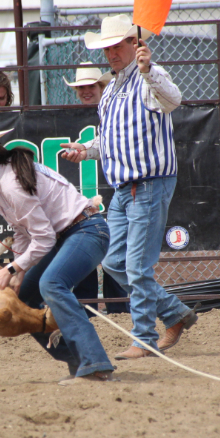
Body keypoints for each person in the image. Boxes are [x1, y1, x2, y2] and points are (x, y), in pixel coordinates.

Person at [62, 14, 197, 360]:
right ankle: (174, 313)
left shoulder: (148, 76)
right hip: (125, 188)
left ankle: (144, 338)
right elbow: (111, 139)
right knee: (113, 261)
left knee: (134, 265)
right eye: (106, 49)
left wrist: (148, 69)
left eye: (116, 46)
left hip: (148, 183)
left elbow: (173, 100)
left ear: (133, 44)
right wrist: (86, 150)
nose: (110, 54)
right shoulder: (112, 89)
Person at [0, 120, 117, 384]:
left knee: (52, 284)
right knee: (22, 296)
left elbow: (43, 237)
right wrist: (19, 272)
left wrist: (12, 268)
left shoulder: (10, 183)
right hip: (71, 234)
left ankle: (94, 364)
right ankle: (78, 361)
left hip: (86, 230)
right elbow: (23, 232)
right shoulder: (0, 180)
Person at [63, 63, 130, 316]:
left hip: (118, 190)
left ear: (102, 86)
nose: (85, 91)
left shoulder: (113, 110)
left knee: (116, 251)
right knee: (93, 250)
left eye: (90, 86)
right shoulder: (104, 110)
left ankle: (121, 309)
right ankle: (95, 310)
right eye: (80, 88)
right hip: (97, 193)